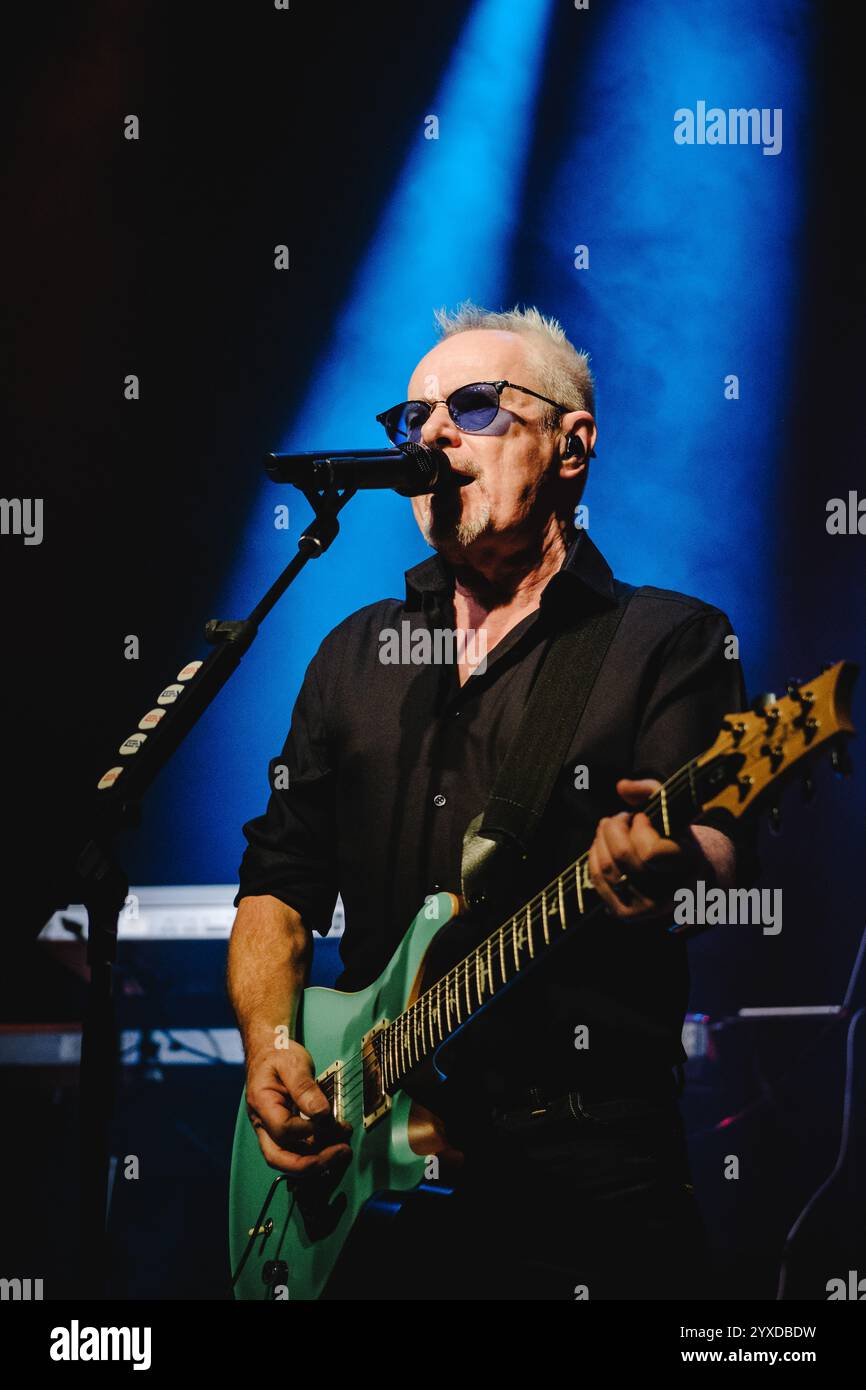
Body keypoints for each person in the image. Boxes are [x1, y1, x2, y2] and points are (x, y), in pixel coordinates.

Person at [227, 302, 752, 1300]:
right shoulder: (353, 654)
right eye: (411, 417)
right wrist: (273, 1048)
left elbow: (722, 853)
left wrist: (672, 865)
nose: (429, 435)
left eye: (471, 407)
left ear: (570, 445)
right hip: (364, 1174)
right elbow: (277, 886)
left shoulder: (666, 642)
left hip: (584, 1175)